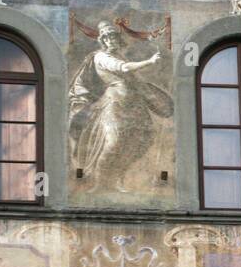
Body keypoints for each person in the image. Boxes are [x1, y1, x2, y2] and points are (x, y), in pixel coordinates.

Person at [69, 22, 169, 191]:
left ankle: (117, 179)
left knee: (141, 141)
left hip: (134, 103)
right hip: (114, 102)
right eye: (107, 37)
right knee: (115, 141)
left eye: (114, 36)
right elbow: (123, 68)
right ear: (103, 40)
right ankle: (99, 184)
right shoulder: (101, 57)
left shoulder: (120, 55)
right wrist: (149, 61)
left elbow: (134, 79)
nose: (111, 40)